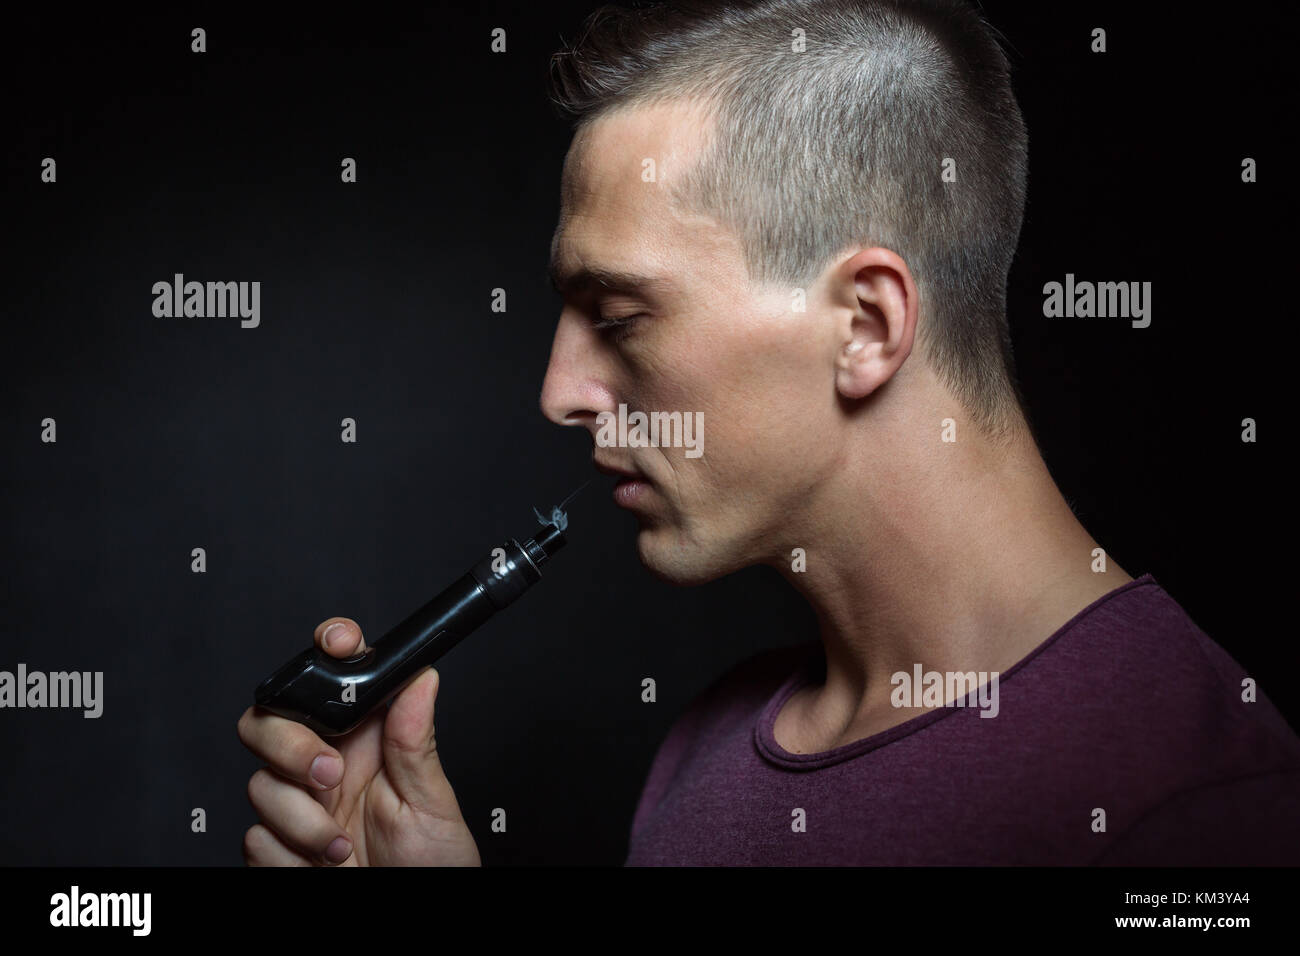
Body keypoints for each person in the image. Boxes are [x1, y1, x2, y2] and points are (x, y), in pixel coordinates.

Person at [237, 0, 1300, 865]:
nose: (559, 390)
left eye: (617, 318)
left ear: (864, 324)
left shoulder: (1200, 807)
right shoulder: (708, 751)